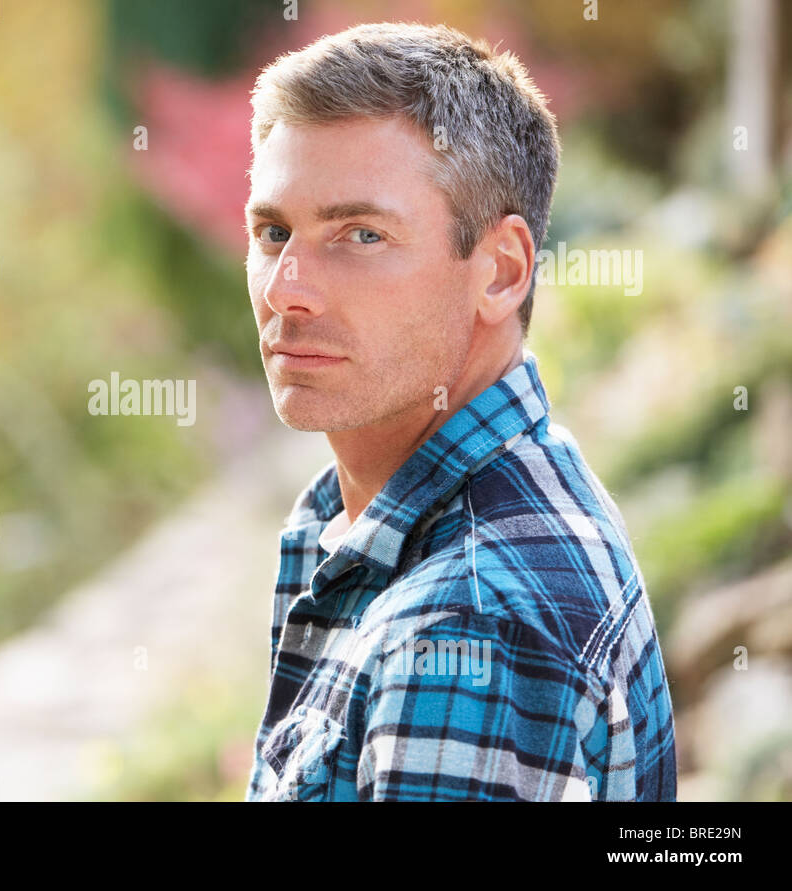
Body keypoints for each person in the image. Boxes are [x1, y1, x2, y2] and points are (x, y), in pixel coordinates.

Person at [242, 22, 676, 801]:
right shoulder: (373, 515)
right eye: (273, 232)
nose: (285, 289)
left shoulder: (465, 621)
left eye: (361, 234)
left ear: (502, 271)